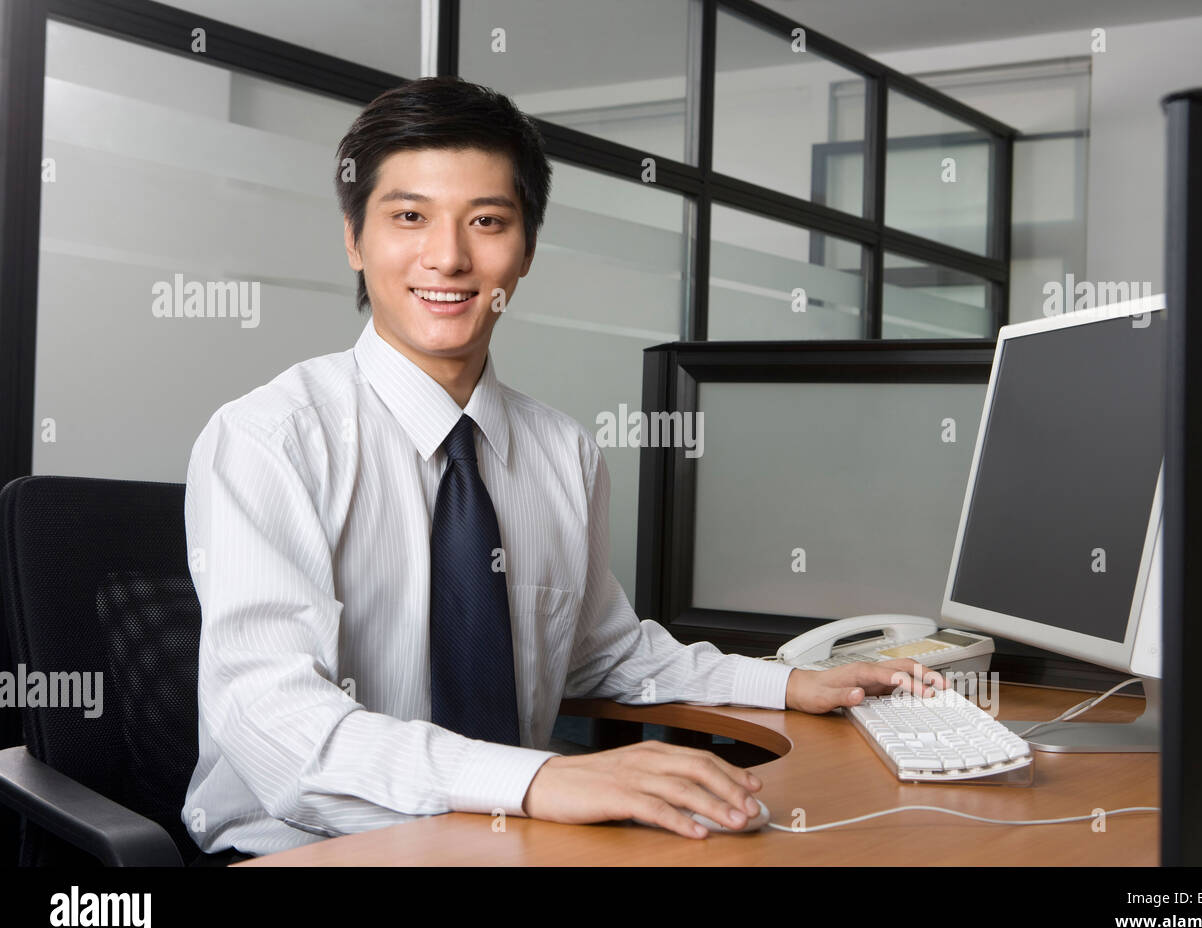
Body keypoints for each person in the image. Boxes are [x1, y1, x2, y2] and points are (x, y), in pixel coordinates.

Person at [181, 75, 946, 861]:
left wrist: (788, 684)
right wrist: (543, 781)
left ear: (528, 250)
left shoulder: (562, 452)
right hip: (308, 847)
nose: (446, 256)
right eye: (408, 217)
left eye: (486, 221)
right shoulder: (270, 439)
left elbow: (604, 650)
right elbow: (278, 725)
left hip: (515, 839)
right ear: (354, 237)